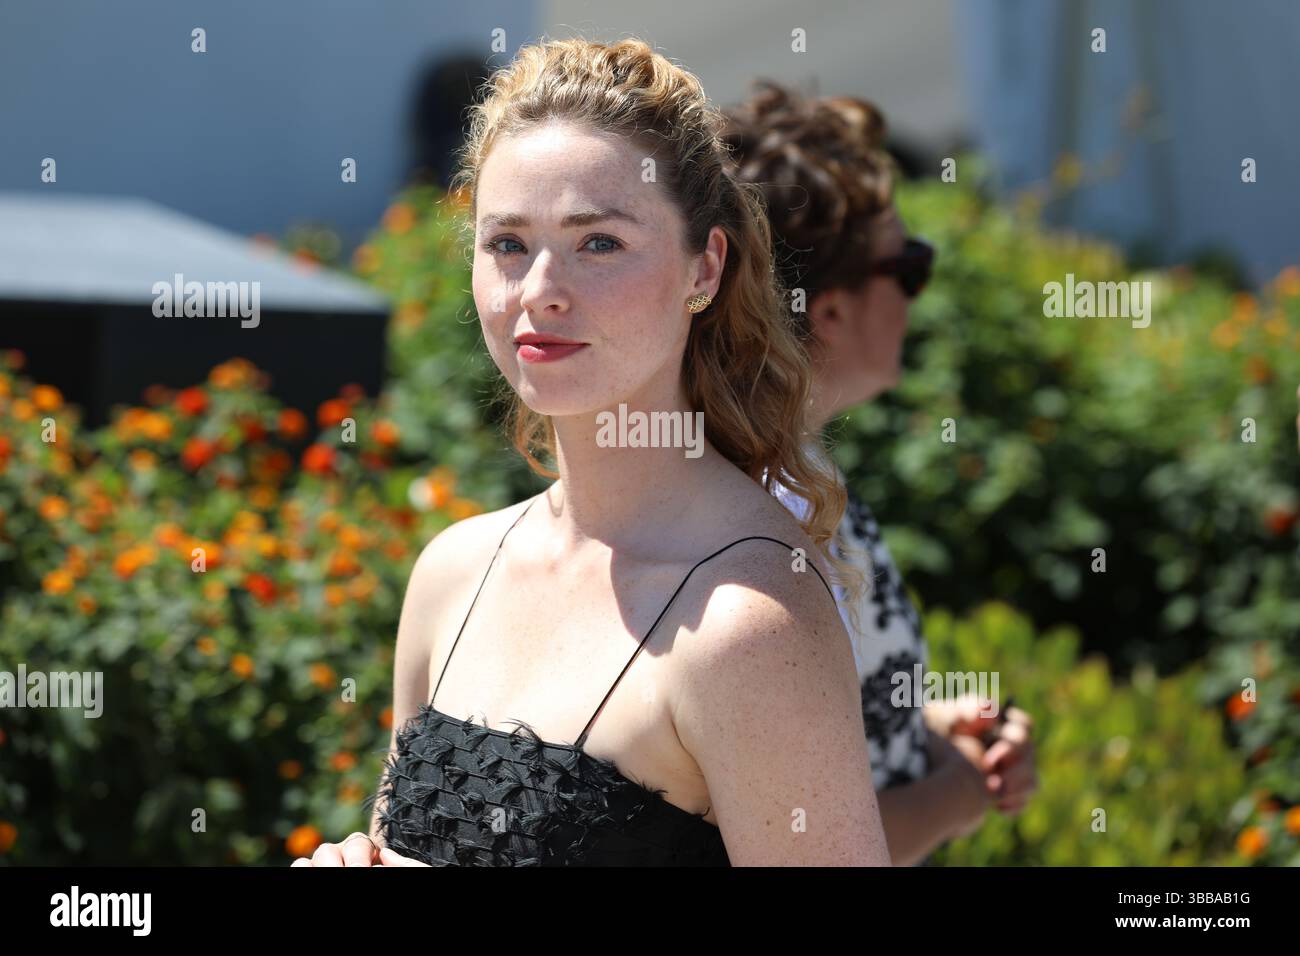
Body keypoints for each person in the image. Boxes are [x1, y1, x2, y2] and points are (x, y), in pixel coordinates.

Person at [294, 38, 891, 867]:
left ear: (704, 269)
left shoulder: (748, 621)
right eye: (507, 244)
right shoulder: (452, 573)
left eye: (599, 242)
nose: (540, 289)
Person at [722, 82, 1039, 865]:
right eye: (910, 264)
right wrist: (961, 790)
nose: (918, 290)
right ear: (831, 310)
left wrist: (924, 726)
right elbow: (795, 846)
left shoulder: (793, 470)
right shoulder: (763, 521)